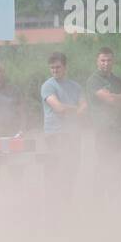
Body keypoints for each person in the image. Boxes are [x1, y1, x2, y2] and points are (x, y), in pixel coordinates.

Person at [83, 47, 121, 195]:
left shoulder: (117, 80)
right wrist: (119, 97)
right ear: (97, 62)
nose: (106, 63)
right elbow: (110, 99)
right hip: (103, 131)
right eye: (103, 60)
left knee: (119, 166)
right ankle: (98, 203)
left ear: (113, 61)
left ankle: (114, 198)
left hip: (119, 130)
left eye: (109, 60)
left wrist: (116, 98)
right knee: (104, 166)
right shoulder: (93, 80)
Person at [40, 52, 87, 201]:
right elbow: (59, 108)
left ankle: (67, 201)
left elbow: (85, 106)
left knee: (72, 170)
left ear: (65, 67)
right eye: (52, 68)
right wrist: (77, 109)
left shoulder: (75, 86)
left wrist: (78, 109)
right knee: (57, 172)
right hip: (55, 135)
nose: (55, 70)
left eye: (58, 67)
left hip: (73, 134)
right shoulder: (47, 86)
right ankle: (54, 203)